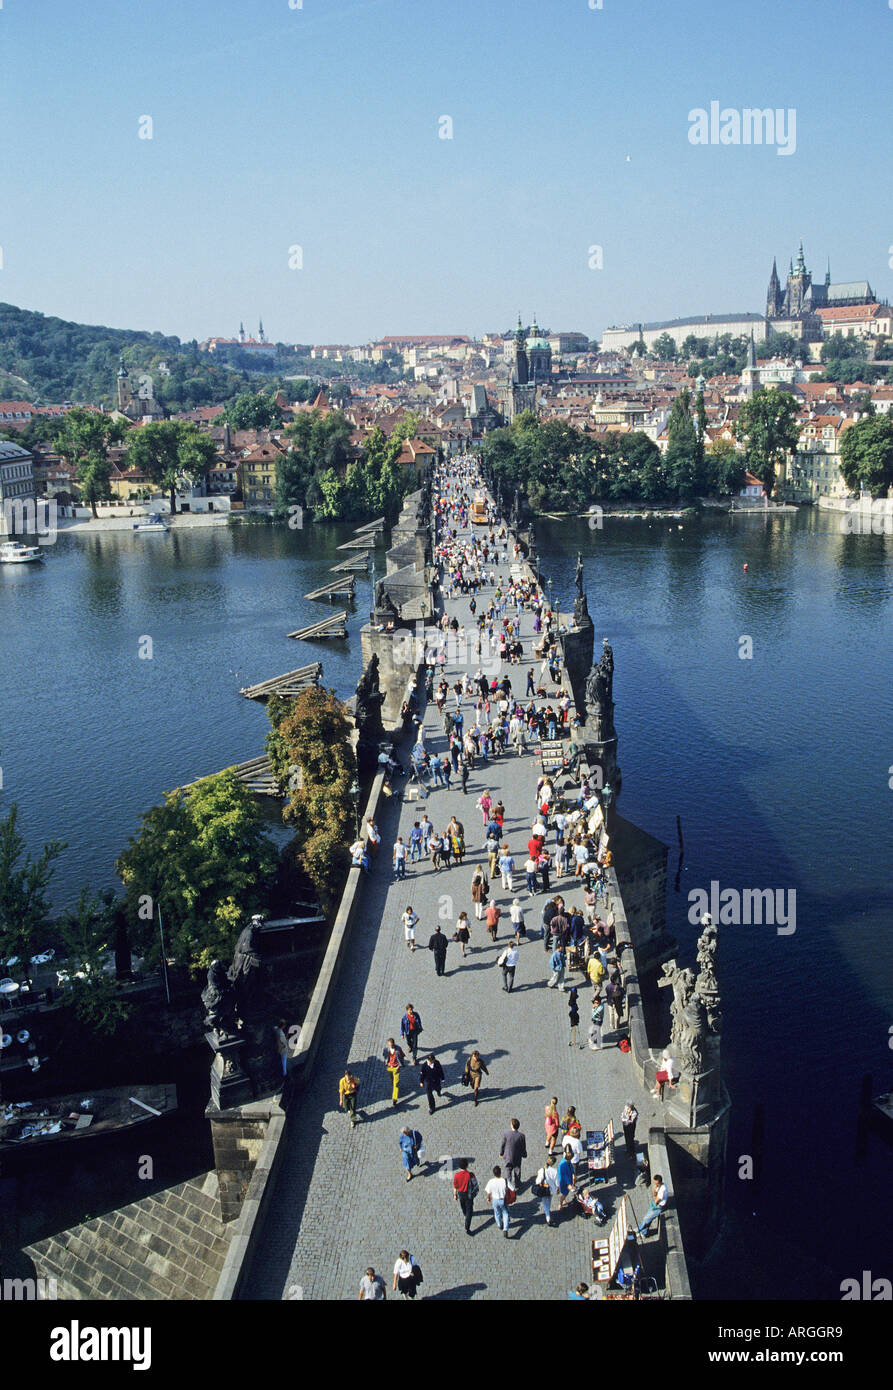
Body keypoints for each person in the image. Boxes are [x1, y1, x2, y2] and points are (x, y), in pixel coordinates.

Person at [500, 1117, 527, 1191]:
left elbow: (503, 1144)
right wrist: (524, 1154)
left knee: (508, 1170)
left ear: (512, 1125)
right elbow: (523, 1147)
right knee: (517, 1169)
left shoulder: (506, 1133)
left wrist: (501, 1153)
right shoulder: (521, 1136)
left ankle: (509, 1184)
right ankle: (517, 1183)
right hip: (517, 1156)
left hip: (508, 1155)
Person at [452, 1159, 477, 1235]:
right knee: (470, 1210)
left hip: (461, 1194)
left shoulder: (457, 1175)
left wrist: (455, 1195)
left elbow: (455, 1186)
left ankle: (464, 1213)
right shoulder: (471, 1175)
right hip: (468, 1195)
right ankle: (467, 1227)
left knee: (463, 1205)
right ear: (467, 1165)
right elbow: (475, 1185)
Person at [485, 1164, 510, 1236]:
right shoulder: (504, 1181)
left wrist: (488, 1198)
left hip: (495, 1200)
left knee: (497, 1213)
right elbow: (512, 1188)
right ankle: (505, 1228)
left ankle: (499, 1224)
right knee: (505, 1213)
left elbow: (488, 1191)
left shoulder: (491, 1181)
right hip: (503, 1199)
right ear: (500, 1172)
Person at [382, 1038, 405, 1106]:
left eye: (391, 1045)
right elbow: (384, 1055)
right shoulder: (386, 1049)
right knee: (392, 1080)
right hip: (389, 1067)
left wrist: (400, 1064)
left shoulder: (398, 1049)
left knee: (396, 1084)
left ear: (393, 1044)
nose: (390, 1046)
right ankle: (393, 1085)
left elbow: (402, 1055)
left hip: (396, 1067)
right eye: (389, 1045)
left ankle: (394, 1099)